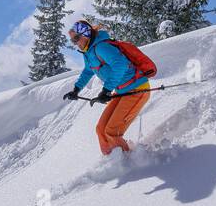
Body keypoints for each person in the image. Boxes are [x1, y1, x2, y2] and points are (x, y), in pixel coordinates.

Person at [61, 20, 151, 155]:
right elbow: (87, 71)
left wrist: (106, 90)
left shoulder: (101, 47)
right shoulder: (88, 53)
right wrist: (76, 89)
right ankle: (111, 160)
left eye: (76, 38)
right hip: (122, 91)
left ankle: (127, 163)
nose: (75, 43)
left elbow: (121, 64)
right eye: (73, 40)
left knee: (111, 132)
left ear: (85, 34)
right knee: (101, 129)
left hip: (136, 89)